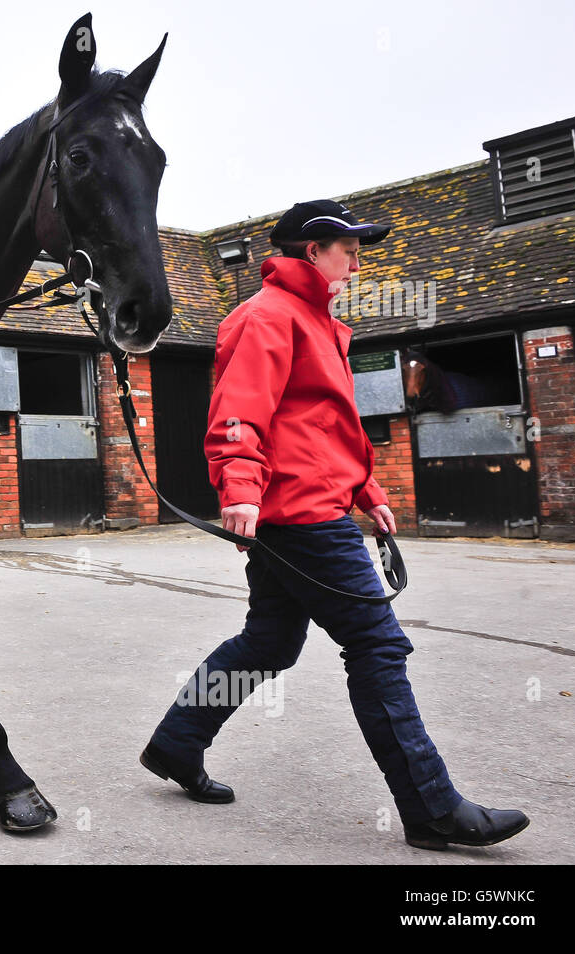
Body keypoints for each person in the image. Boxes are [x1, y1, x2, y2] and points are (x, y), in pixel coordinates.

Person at [139, 199, 530, 850]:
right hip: (300, 516)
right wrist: (238, 483)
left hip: (313, 504)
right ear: (309, 252)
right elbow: (238, 411)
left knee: (268, 642)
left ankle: (177, 744)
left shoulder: (314, 322)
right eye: (346, 247)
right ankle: (432, 806)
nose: (357, 259)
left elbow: (322, 430)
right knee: (378, 646)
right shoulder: (265, 317)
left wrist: (366, 489)